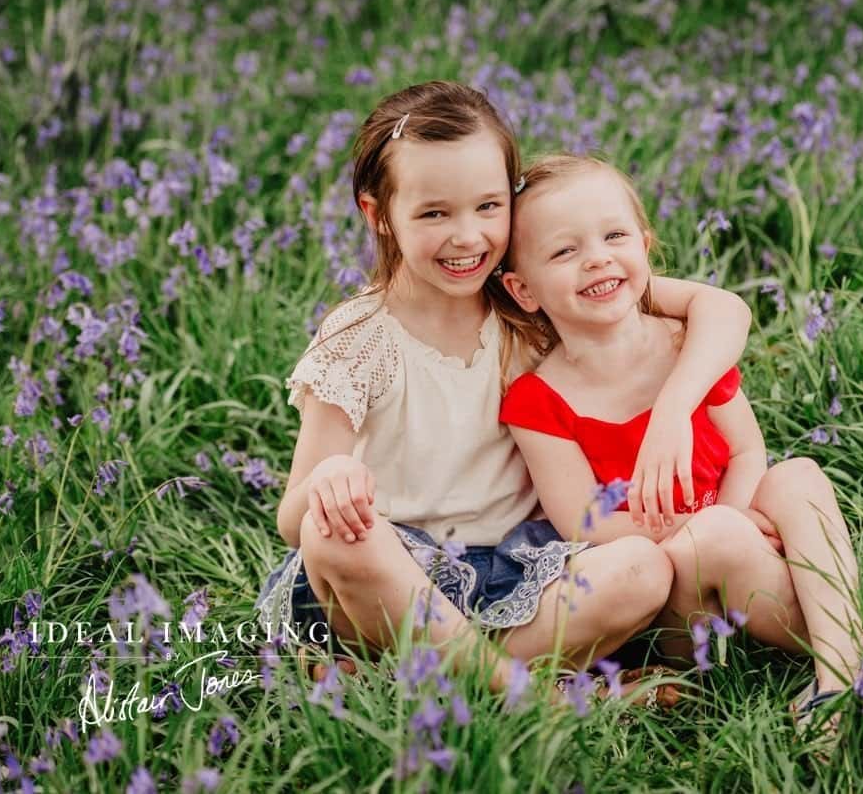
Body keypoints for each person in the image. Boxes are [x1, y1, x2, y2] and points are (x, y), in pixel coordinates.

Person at [257, 82, 754, 690]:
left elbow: (721, 308)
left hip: (525, 570)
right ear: (379, 215)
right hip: (390, 583)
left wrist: (676, 407)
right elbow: (291, 516)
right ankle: (530, 696)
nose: (468, 237)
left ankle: (455, 681)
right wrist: (331, 482)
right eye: (435, 213)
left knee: (642, 569)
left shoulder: (533, 301)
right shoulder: (360, 338)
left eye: (489, 207)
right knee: (326, 532)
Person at [499, 154, 863, 734]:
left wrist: (739, 515)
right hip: (673, 596)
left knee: (797, 473)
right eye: (564, 251)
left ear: (645, 246)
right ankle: (843, 635)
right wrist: (703, 528)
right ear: (523, 289)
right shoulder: (538, 400)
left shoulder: (684, 345)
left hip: (742, 541)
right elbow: (581, 523)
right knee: (716, 535)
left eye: (615, 235)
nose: (597, 257)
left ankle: (840, 677)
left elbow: (746, 451)